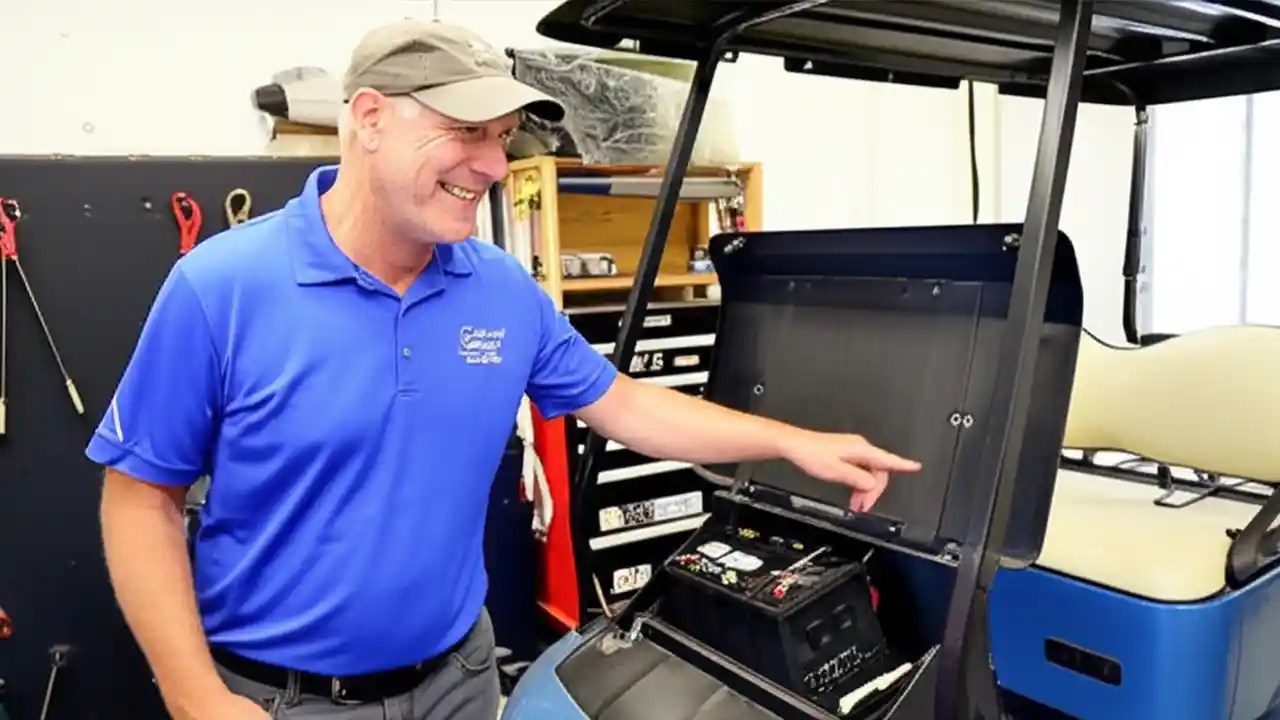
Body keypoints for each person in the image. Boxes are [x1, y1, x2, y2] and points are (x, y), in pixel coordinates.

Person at [86, 19, 922, 720]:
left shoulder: (497, 290)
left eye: (498, 138)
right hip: (281, 700)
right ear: (369, 118)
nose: (490, 165)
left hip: (460, 682)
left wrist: (795, 443)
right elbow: (139, 498)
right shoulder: (222, 287)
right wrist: (193, 693)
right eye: (464, 132)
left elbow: (624, 404)